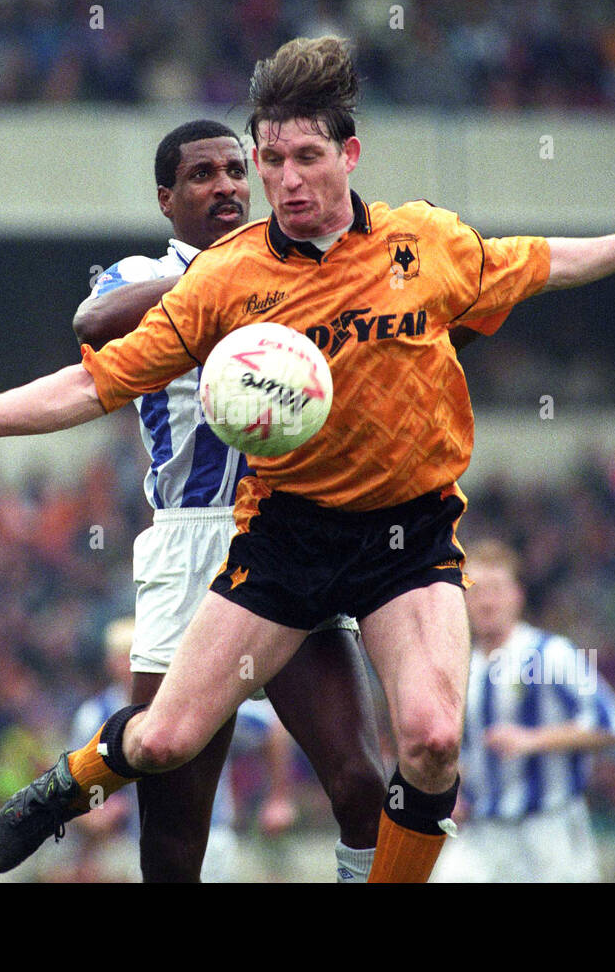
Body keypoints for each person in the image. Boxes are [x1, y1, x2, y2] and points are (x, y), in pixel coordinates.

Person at [0, 35, 615, 882]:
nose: (284, 180)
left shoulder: (423, 242)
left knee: (427, 744)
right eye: (270, 158)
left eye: (306, 157)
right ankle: (75, 778)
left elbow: (534, 262)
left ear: (348, 154)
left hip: (409, 536)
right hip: (287, 537)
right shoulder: (224, 276)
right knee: (167, 738)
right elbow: (96, 381)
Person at [75, 119, 390, 882]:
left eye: (232, 172)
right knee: (175, 824)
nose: (224, 186)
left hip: (292, 536)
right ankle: (71, 782)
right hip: (189, 541)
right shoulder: (136, 274)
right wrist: (221, 275)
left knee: (361, 784)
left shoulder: (297, 271)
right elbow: (91, 327)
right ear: (166, 197)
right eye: (201, 175)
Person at [429, 539, 615, 882]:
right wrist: (452, 790)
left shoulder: (548, 653)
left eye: (496, 589)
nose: (486, 600)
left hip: (548, 829)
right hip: (481, 832)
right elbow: (457, 747)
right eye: (476, 590)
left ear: (517, 596)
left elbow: (612, 724)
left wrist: (532, 740)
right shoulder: (459, 664)